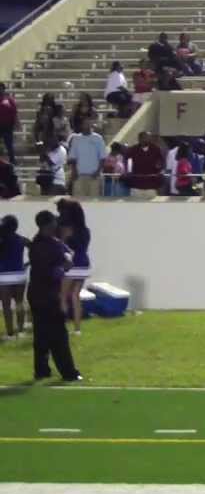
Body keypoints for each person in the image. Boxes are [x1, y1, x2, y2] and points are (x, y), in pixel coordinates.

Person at [30, 211, 80, 381]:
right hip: (48, 295)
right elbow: (52, 273)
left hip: (37, 294)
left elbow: (67, 252)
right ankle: (69, 372)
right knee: (59, 334)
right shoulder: (45, 246)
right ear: (48, 225)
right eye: (53, 222)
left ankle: (41, 371)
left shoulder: (42, 243)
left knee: (41, 334)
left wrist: (66, 256)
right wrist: (65, 266)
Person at [56, 199, 91, 335]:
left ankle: (62, 327)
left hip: (71, 265)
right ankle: (77, 329)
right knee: (76, 296)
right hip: (84, 264)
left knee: (63, 296)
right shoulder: (86, 230)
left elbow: (62, 245)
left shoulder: (66, 229)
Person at [0, 216, 28, 340]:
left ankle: (10, 333)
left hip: (4, 276)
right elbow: (36, 248)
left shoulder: (1, 240)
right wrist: (27, 263)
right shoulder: (21, 239)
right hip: (20, 274)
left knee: (6, 306)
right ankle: (21, 331)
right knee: (19, 302)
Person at [66, 119, 108, 197]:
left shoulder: (98, 138)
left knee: (94, 200)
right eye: (85, 124)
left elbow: (103, 157)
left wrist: (98, 172)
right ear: (82, 125)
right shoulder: (76, 139)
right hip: (79, 176)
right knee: (79, 199)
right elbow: (72, 158)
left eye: (89, 123)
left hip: (94, 176)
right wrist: (74, 171)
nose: (87, 126)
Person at [0, 84, 15, 160]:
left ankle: (13, 161)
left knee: (9, 145)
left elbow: (14, 112)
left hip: (7, 126)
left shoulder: (9, 100)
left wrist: (16, 123)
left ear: (3, 89)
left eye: (1, 89)